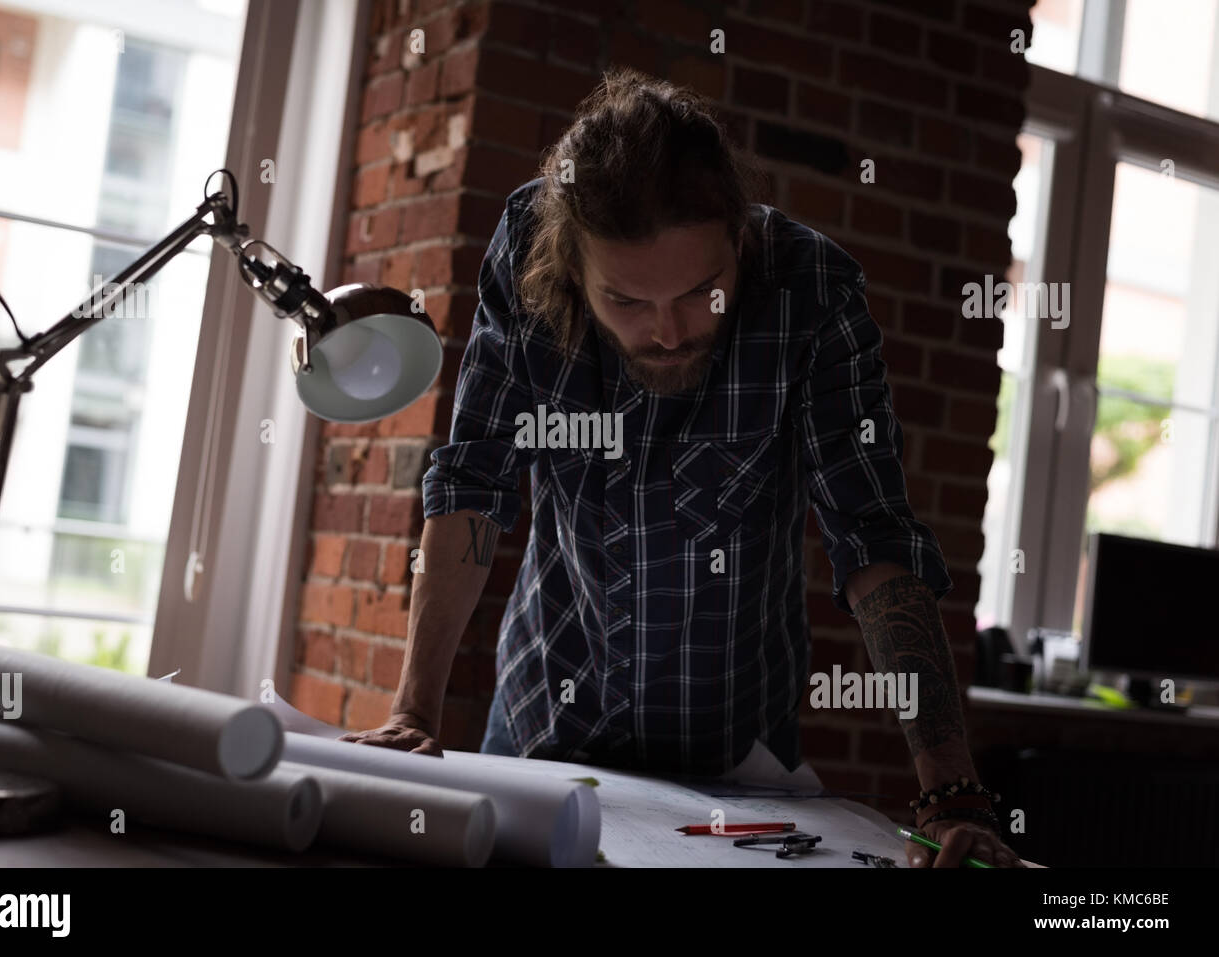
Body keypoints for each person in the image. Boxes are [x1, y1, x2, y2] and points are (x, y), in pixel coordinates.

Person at [340, 67, 1021, 868]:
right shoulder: (524, 247)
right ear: (571, 268)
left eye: (703, 292)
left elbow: (873, 536)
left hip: (737, 763)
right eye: (627, 302)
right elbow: (472, 484)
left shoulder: (812, 292)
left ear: (739, 236)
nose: (668, 332)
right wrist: (413, 711)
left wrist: (951, 788)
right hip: (542, 729)